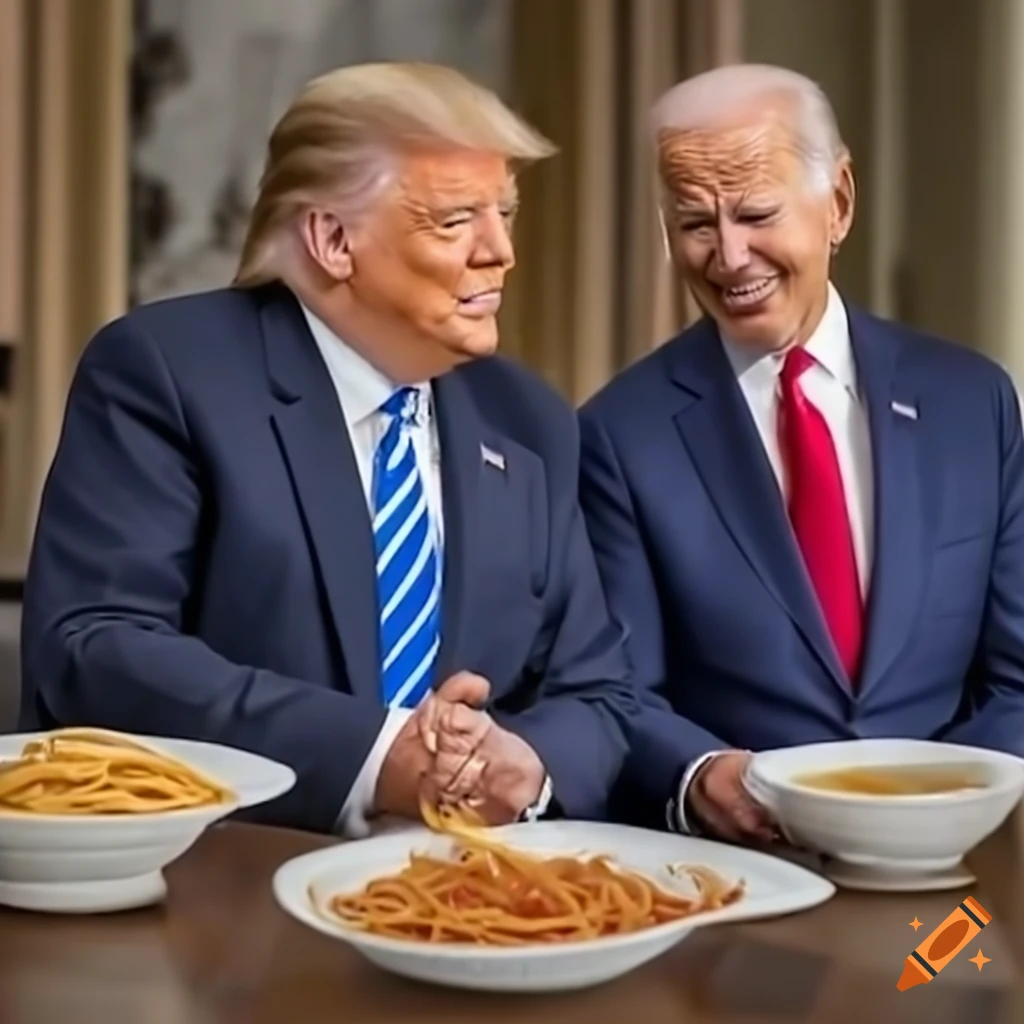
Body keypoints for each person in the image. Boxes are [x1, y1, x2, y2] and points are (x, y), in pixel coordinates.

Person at [20, 62, 635, 835]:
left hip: (475, 905)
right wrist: (380, 756)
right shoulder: (167, 372)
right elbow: (94, 649)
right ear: (333, 238)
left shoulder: (531, 419)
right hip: (226, 895)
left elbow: (600, 695)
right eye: (454, 221)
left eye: (504, 212)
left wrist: (527, 762)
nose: (501, 250)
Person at [578, 63, 1024, 842]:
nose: (728, 256)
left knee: (944, 973)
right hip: (741, 878)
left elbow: (1016, 677)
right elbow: (618, 693)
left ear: (838, 203)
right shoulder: (620, 433)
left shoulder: (972, 402)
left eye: (755, 214)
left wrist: (934, 808)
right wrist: (699, 773)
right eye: (693, 224)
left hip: (957, 873)